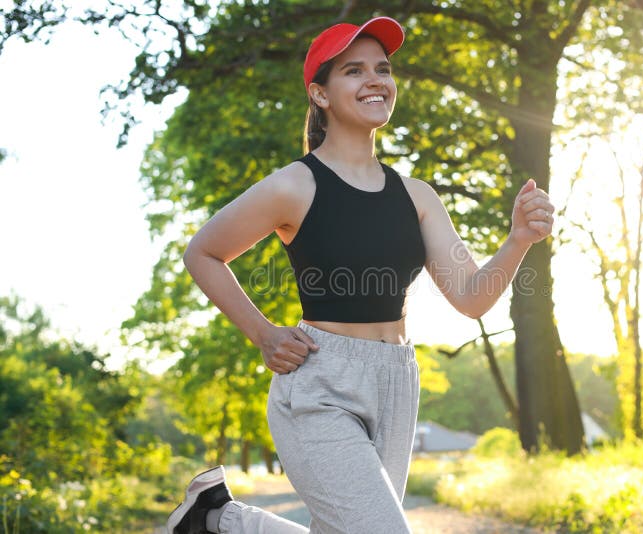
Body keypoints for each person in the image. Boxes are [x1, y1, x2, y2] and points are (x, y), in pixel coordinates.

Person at [167, 14, 555, 534]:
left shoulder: (417, 197)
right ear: (320, 95)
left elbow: (470, 297)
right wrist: (263, 335)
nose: (375, 79)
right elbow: (203, 253)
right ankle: (220, 519)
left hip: (396, 380)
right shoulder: (294, 186)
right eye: (353, 70)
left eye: (383, 68)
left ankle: (219, 520)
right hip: (320, 383)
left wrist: (518, 240)